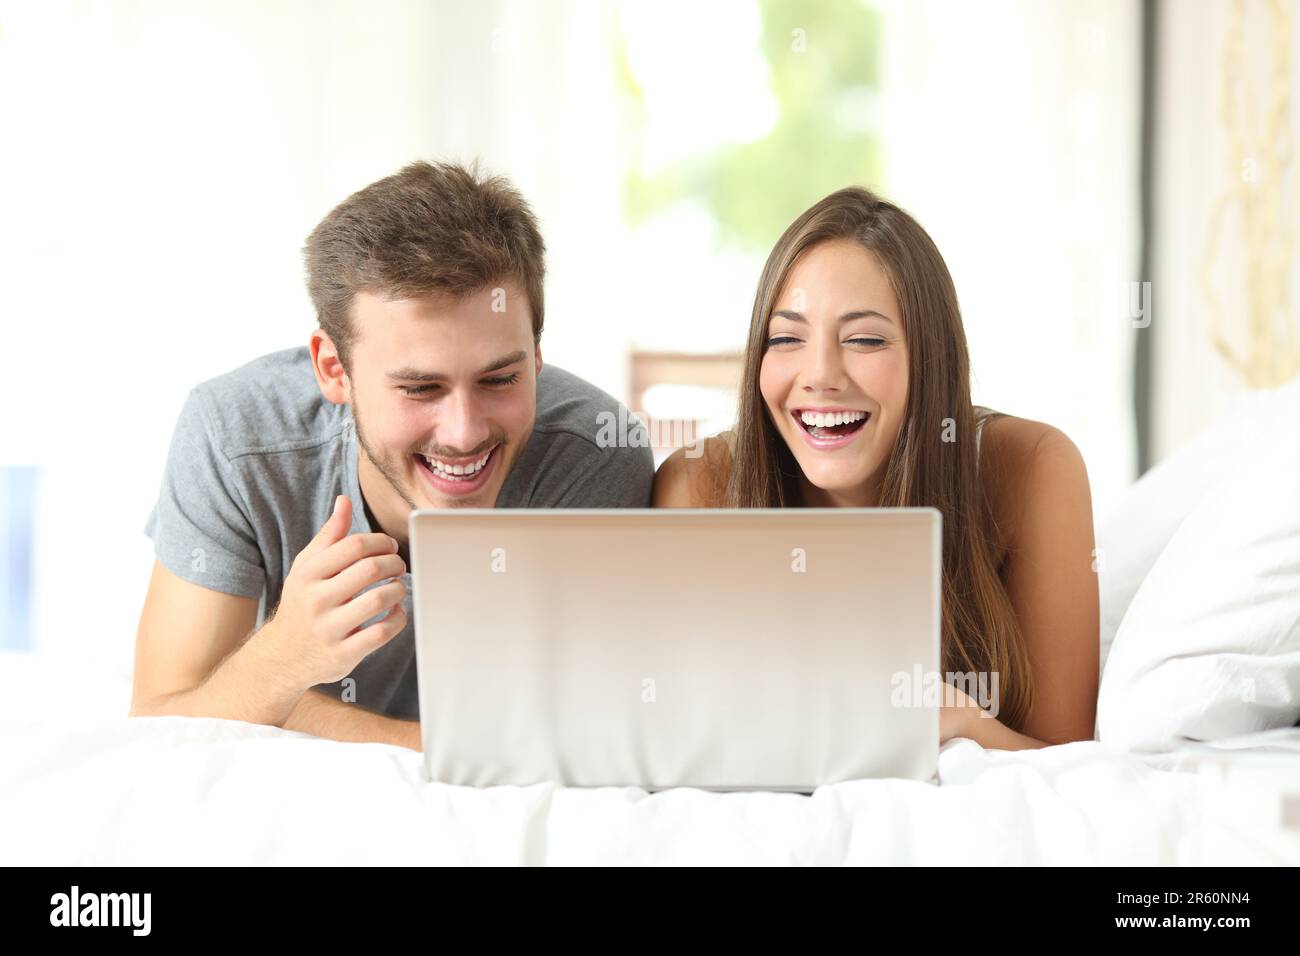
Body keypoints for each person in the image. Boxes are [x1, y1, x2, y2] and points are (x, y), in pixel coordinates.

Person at [130, 161, 654, 749]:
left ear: (535, 355)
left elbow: (574, 739)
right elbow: (160, 721)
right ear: (335, 370)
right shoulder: (236, 439)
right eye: (420, 389)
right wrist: (284, 656)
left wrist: (278, 704)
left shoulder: (593, 453)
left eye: (499, 379)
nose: (463, 433)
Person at [653, 187, 1098, 750]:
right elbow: (668, 742)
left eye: (864, 339)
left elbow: (1073, 763)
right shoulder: (697, 487)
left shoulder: (1033, 469)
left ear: (930, 356)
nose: (820, 375)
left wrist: (966, 724)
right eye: (787, 338)